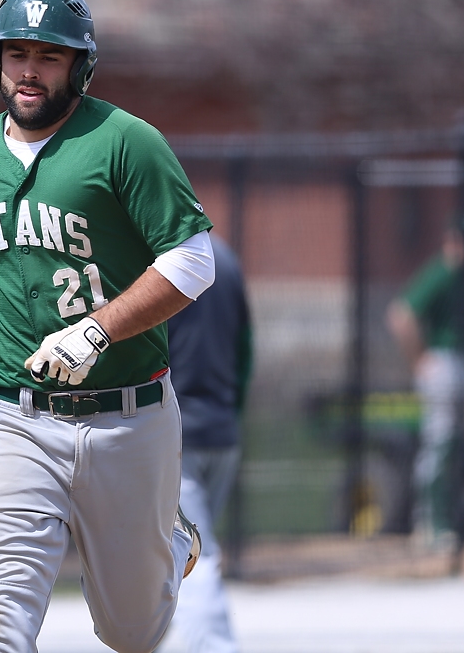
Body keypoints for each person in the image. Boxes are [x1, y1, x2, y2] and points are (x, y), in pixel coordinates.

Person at [0, 0, 212, 653]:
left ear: (80, 67)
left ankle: (167, 538)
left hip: (127, 418)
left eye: (49, 56)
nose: (29, 70)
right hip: (13, 417)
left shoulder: (126, 142)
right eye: (16, 53)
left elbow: (192, 261)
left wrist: (97, 330)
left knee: (131, 633)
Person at [162, 232, 252, 653]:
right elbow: (245, 350)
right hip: (222, 432)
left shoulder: (157, 266)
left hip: (178, 435)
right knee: (172, 551)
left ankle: (217, 646)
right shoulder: (228, 261)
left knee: (193, 557)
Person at [384, 208, 464, 549]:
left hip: (463, 365)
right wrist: (420, 359)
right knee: (439, 445)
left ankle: (446, 519)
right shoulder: (442, 271)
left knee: (454, 446)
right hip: (443, 364)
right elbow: (401, 314)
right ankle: (428, 522)